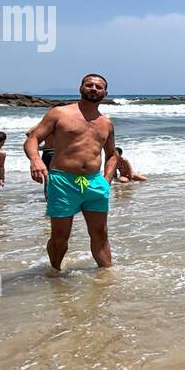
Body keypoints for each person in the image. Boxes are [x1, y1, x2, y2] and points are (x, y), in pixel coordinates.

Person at [24, 73, 118, 270]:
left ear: (105, 92)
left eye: (98, 87)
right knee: (60, 237)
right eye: (89, 85)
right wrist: (36, 160)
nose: (93, 88)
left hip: (94, 182)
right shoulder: (59, 113)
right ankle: (55, 274)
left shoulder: (106, 123)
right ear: (81, 88)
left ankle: (107, 277)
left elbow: (112, 154)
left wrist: (106, 181)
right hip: (63, 181)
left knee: (100, 233)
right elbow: (33, 138)